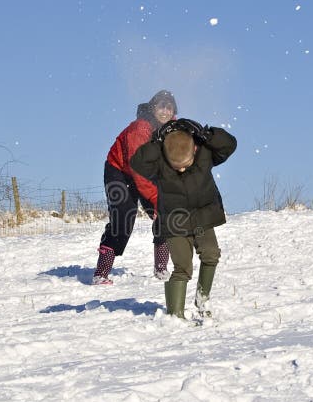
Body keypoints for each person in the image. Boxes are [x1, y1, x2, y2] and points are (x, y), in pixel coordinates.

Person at [130, 118, 237, 322]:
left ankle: (202, 300)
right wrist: (156, 141)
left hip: (202, 217)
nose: (180, 169)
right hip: (174, 223)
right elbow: (137, 162)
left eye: (185, 164)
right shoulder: (160, 162)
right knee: (183, 268)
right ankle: (175, 314)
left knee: (211, 254)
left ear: (194, 150)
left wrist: (207, 134)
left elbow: (229, 144)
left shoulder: (204, 152)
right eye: (175, 165)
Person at [92, 90, 177, 285]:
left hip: (145, 174)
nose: (164, 111)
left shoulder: (173, 130)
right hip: (119, 171)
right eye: (161, 106)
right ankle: (101, 272)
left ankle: (161, 269)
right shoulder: (140, 128)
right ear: (153, 107)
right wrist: (155, 200)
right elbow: (138, 170)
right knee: (123, 216)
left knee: (165, 213)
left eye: (169, 107)